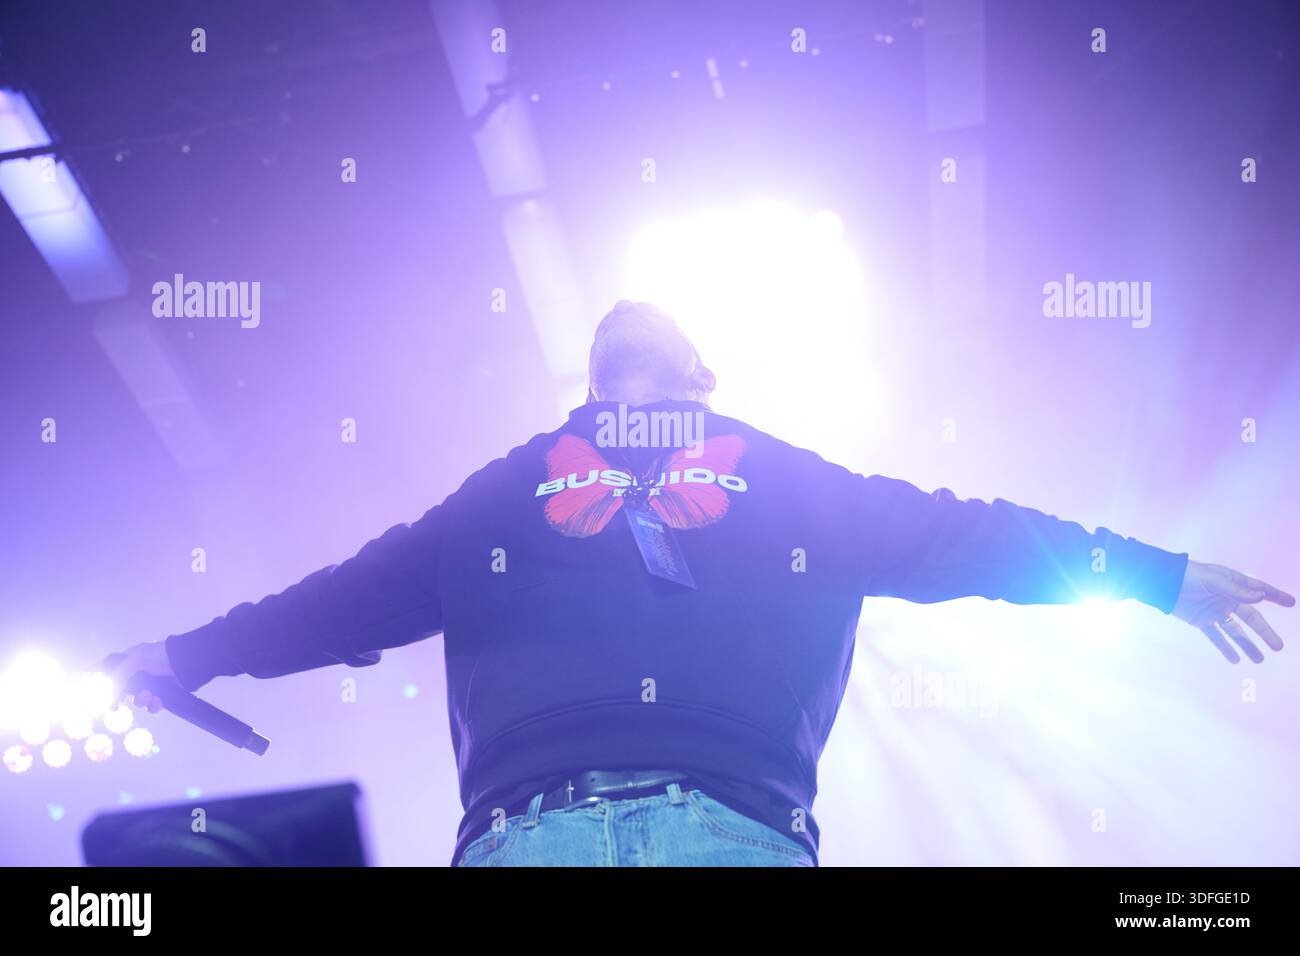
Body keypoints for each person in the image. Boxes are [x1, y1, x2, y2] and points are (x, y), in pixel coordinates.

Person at [109, 299, 1294, 867]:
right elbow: (341, 598)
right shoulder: (505, 492)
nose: (628, 332)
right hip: (568, 833)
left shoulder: (784, 481)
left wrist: (1155, 573)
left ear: (700, 376)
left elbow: (967, 536)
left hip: (695, 828)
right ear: (588, 383)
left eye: (651, 338)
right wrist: (184, 654)